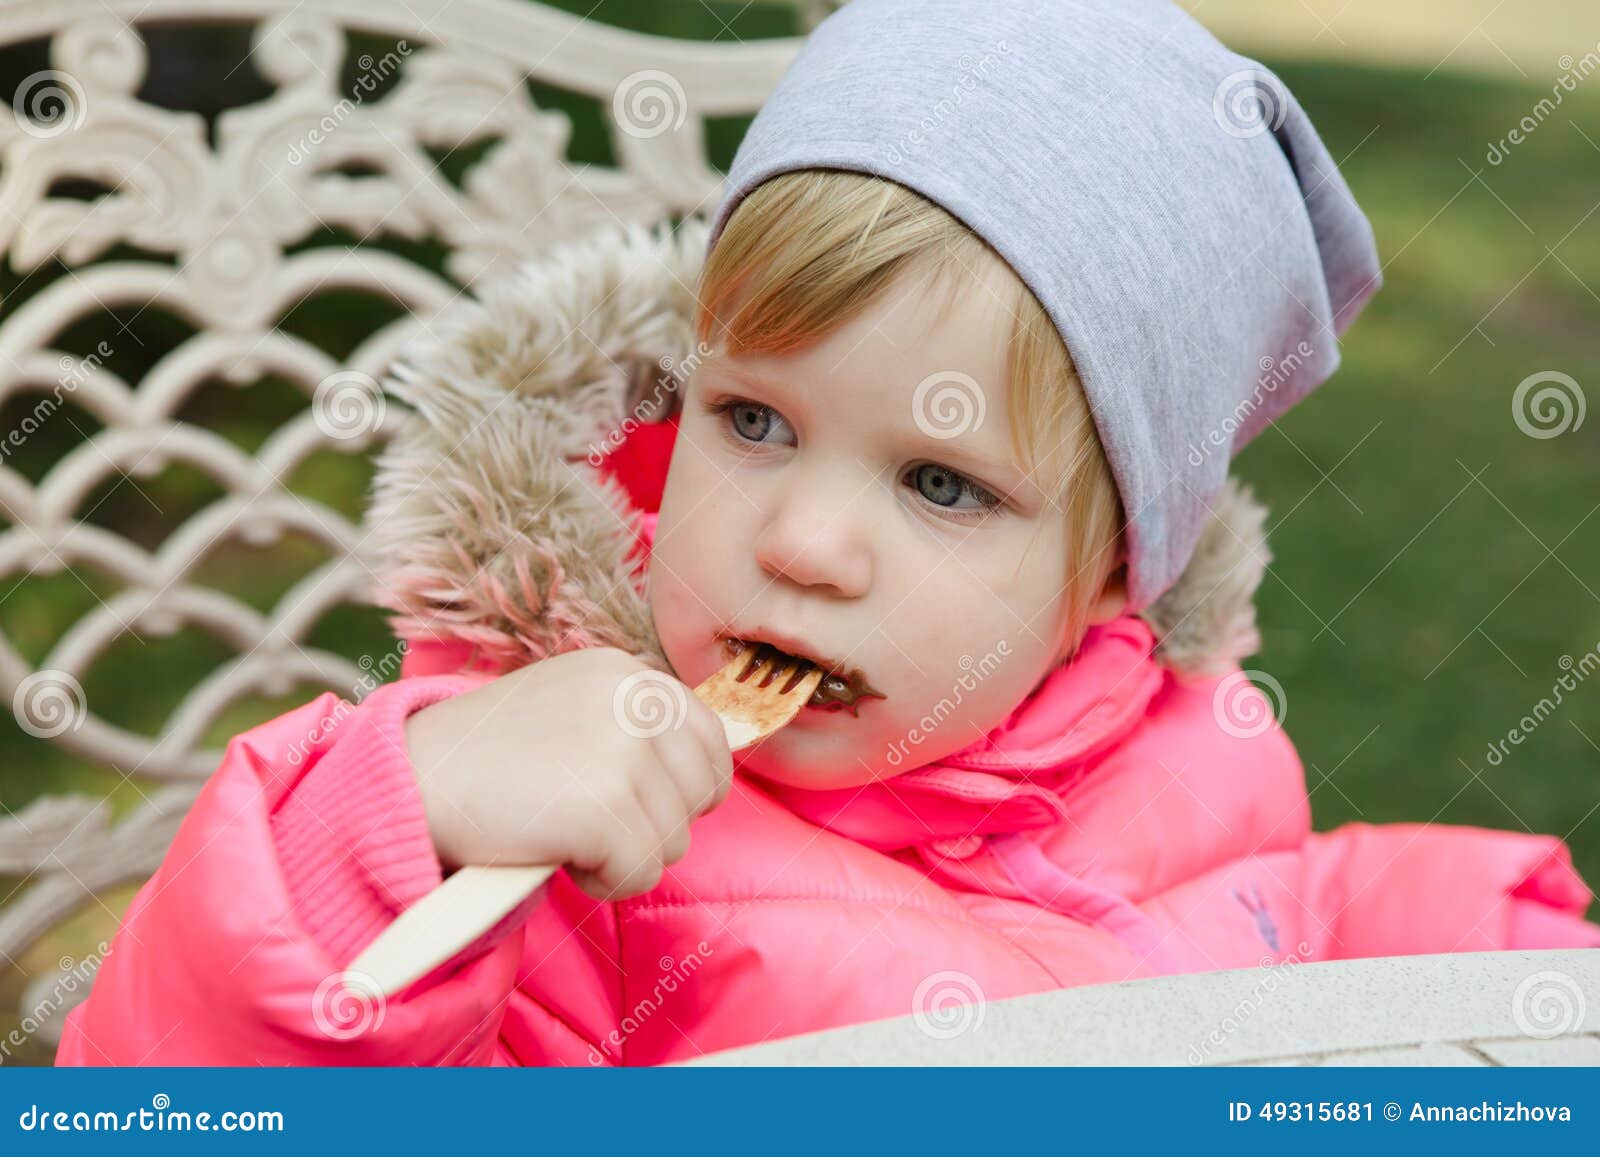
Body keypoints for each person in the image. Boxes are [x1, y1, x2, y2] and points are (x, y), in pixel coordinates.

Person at [57, 0, 1599, 1066]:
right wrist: (384, 838)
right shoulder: (563, 840)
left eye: (939, 483)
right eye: (752, 421)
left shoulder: (1164, 737)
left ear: (1109, 576)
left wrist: (1480, 934)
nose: (800, 542)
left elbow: (1268, 917)